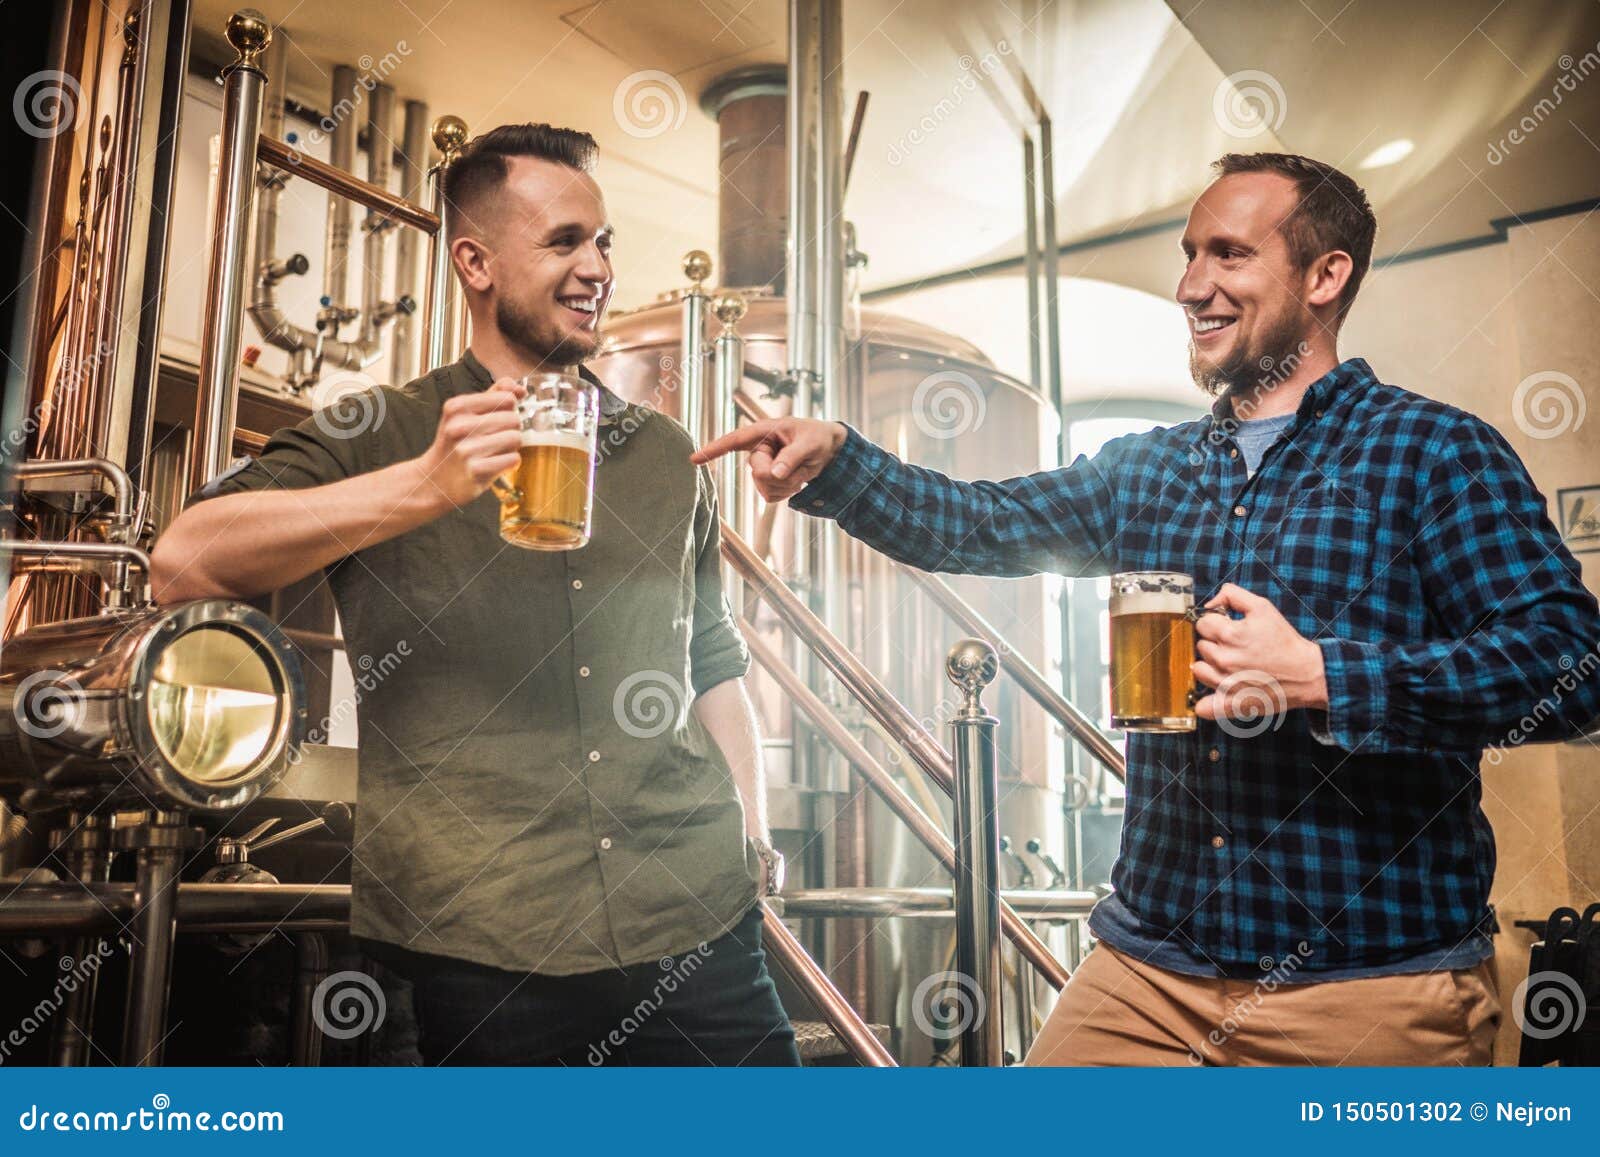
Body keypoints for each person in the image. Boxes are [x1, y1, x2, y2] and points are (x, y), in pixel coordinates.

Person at [694, 152, 1600, 1066]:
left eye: (1230, 255)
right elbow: (982, 522)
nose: (1192, 284)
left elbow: (1573, 664)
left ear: (1327, 276)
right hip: (1147, 974)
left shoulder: (1432, 452)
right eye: (1190, 254)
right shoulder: (1150, 466)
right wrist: (840, 461)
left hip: (1368, 984)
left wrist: (1327, 675)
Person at [152, 123, 799, 1066]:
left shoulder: (664, 455)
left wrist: (751, 835)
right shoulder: (384, 430)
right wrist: (425, 485)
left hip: (693, 915)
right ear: (476, 261)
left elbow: (712, 662)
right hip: (482, 941)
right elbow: (186, 559)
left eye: (605, 240)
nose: (598, 267)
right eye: (565, 241)